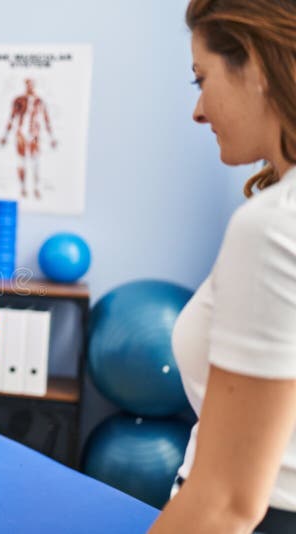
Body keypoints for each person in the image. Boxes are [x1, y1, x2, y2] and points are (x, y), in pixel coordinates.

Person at [150, 1, 296, 533]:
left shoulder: (273, 226)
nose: (199, 110)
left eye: (200, 79)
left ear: (255, 67)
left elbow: (227, 502)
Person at [0, 78, 57, 199]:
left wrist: (51, 137)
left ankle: (36, 188)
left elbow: (46, 119)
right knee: (22, 161)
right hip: (21, 133)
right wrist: (5, 136)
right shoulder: (19, 100)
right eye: (28, 84)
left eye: (32, 85)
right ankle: (23, 188)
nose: (30, 87)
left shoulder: (39, 101)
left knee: (35, 162)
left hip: (34, 133)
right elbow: (12, 117)